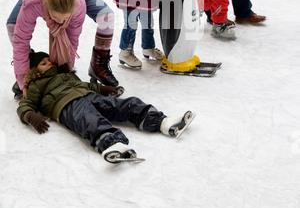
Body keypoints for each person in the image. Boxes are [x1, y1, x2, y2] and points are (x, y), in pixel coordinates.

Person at [17, 51, 195, 163]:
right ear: (34, 71)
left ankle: (161, 121)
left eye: (49, 60)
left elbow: (87, 86)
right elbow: (25, 105)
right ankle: (112, 144)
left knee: (122, 104)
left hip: (89, 96)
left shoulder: (66, 75)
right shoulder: (35, 85)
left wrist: (104, 89)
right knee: (89, 120)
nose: (49, 64)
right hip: (67, 106)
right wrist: (31, 116)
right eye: (43, 63)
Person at [6, 0, 119, 101]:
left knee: (106, 17)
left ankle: (98, 66)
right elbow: (21, 41)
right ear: (47, 8)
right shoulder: (34, 3)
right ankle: (32, 68)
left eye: (65, 18)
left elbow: (71, 42)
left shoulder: (78, 5)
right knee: (13, 27)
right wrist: (24, 81)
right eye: (56, 18)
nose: (61, 22)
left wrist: (65, 76)